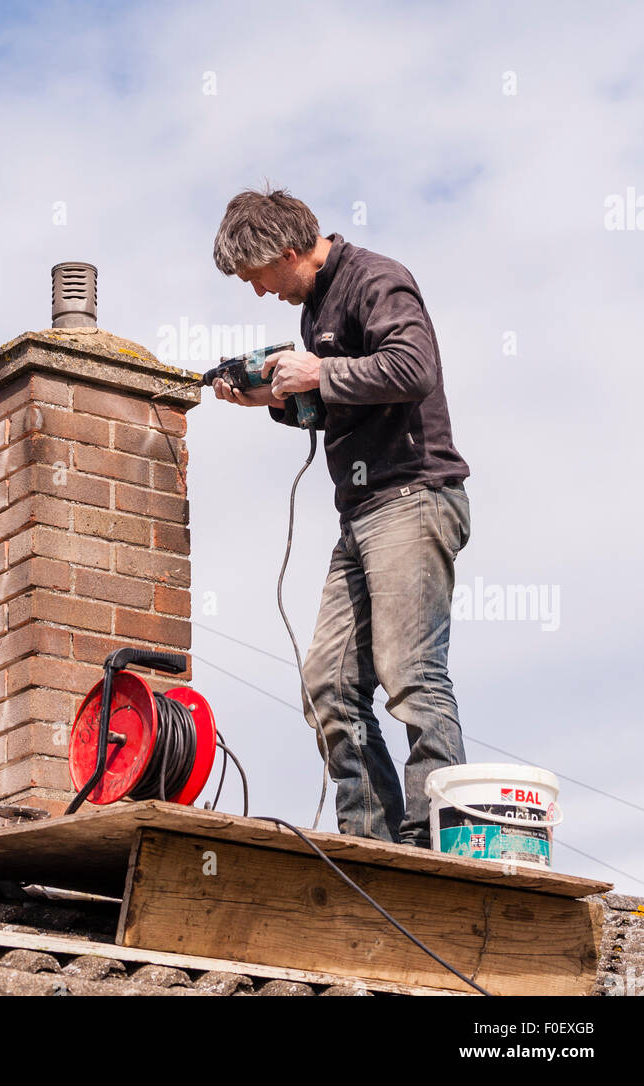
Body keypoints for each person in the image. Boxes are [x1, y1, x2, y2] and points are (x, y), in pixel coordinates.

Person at [211, 186, 471, 847]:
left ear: (288, 250)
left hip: (412, 496)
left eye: (258, 275)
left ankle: (436, 833)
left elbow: (411, 369)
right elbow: (338, 398)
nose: (259, 291)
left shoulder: (376, 280)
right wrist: (272, 399)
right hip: (360, 513)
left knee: (409, 670)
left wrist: (317, 370)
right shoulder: (316, 309)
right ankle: (371, 836)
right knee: (326, 681)